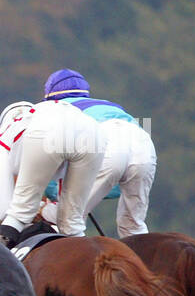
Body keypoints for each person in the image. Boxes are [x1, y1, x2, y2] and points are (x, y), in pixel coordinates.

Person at [41, 69, 157, 238]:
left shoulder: (53, 110)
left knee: (67, 220)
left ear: (50, 97)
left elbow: (49, 170)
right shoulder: (108, 104)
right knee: (133, 226)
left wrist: (45, 205)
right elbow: (117, 185)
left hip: (103, 142)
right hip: (143, 143)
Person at [0, 95, 103, 248]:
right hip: (93, 129)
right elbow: (60, 207)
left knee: (18, 215)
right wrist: (43, 209)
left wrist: (27, 211)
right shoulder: (37, 115)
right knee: (72, 224)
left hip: (46, 130)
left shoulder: (0, 139)